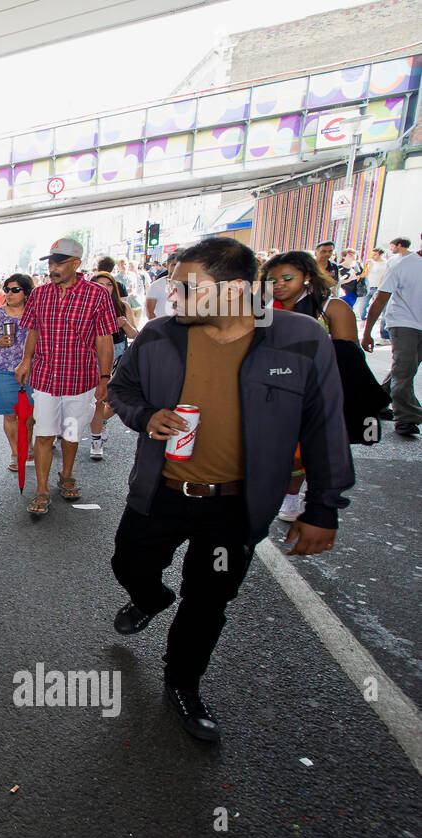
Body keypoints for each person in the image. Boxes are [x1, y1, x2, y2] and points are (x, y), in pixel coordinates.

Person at [107, 237, 352, 743]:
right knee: (129, 564)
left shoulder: (300, 337)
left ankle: (182, 684)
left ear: (235, 289)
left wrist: (323, 509)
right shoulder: (158, 336)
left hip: (236, 506)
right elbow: (121, 389)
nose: (173, 297)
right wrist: (146, 415)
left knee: (207, 601)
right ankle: (150, 598)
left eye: (186, 287)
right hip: (162, 492)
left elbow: (324, 425)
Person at [14, 238, 116, 515]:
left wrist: (104, 378)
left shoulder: (97, 295)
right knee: (44, 433)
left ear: (76, 264)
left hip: (80, 380)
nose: (53, 268)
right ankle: (42, 489)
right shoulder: (39, 295)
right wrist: (26, 360)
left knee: (71, 433)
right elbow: (32, 330)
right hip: (46, 378)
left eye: (59, 262)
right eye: (50, 262)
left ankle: (67, 474)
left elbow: (104, 338)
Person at [261, 250, 359, 518]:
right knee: (286, 453)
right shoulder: (262, 310)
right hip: (276, 392)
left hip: (318, 392)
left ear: (307, 277)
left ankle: (305, 498)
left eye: (287, 278)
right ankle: (287, 493)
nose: (279, 285)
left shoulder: (333, 308)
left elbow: (349, 358)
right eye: (273, 280)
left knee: (311, 451)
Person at [362, 239, 422, 437]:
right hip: (403, 323)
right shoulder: (403, 265)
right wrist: (367, 331)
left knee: (405, 369)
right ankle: (407, 417)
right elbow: (380, 299)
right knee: (404, 369)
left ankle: (376, 401)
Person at [0, 273, 34, 472]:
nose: (9, 294)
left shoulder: (34, 313)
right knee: (10, 415)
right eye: (7, 290)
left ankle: (27, 447)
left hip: (31, 370)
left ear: (26, 292)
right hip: (2, 370)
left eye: (15, 290)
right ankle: (16, 453)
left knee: (28, 415)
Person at [86, 270, 140, 459]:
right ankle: (96, 439)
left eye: (109, 285)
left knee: (117, 399)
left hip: (118, 356)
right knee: (98, 398)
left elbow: (135, 335)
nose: (105, 288)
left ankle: (98, 422)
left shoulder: (122, 305)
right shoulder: (87, 305)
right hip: (93, 354)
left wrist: (123, 324)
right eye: (100, 284)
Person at [142, 252, 178, 320]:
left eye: (181, 265)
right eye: (174, 264)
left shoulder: (191, 285)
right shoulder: (156, 285)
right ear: (167, 265)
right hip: (162, 328)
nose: (178, 267)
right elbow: (150, 313)